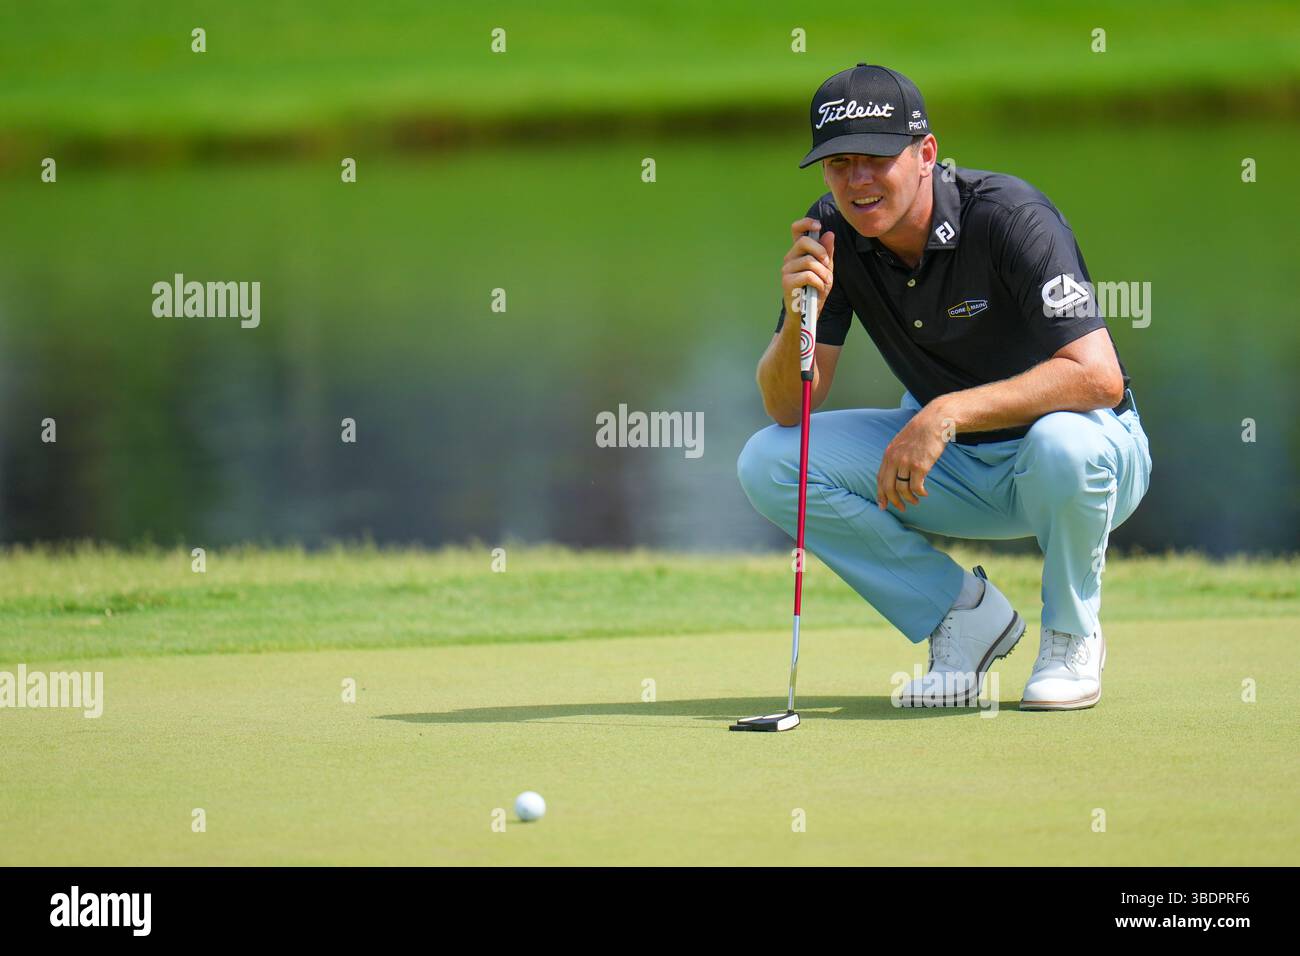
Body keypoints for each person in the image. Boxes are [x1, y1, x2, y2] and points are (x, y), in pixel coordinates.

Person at [737, 64, 1152, 709]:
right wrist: (798, 311)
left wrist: (946, 412)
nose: (857, 181)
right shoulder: (832, 232)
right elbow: (791, 407)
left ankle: (1071, 636)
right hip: (956, 470)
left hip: (1086, 465)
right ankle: (961, 615)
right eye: (839, 163)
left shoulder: (1010, 217)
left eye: (876, 157)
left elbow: (1098, 377)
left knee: (1062, 444)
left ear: (925, 152)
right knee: (768, 461)